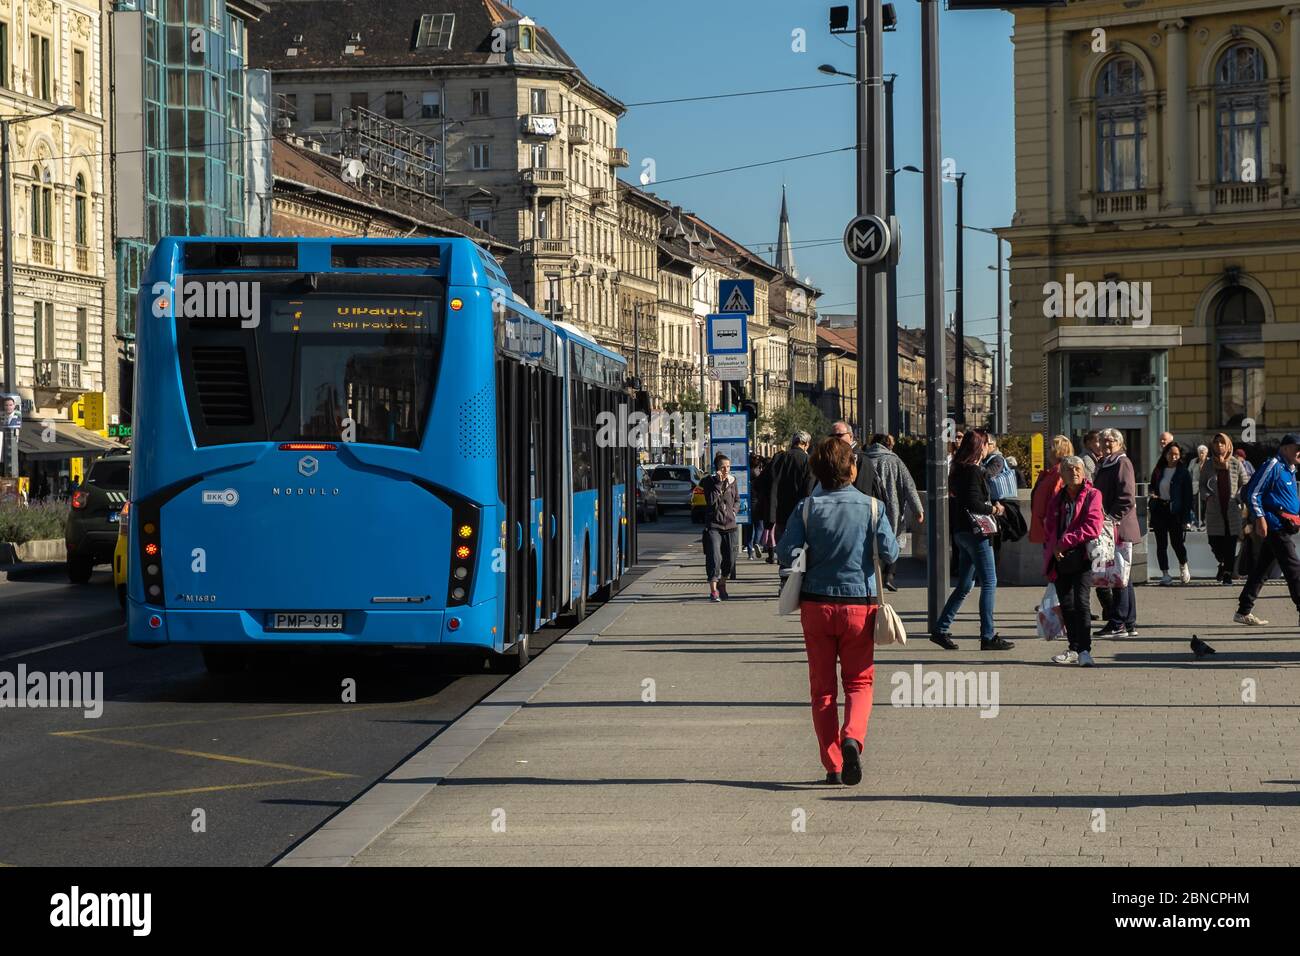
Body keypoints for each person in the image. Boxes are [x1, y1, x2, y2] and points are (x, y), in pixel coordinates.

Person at [777, 437, 898, 786]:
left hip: (816, 604)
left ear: (817, 472)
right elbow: (889, 552)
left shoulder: (806, 507)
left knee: (823, 689)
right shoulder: (872, 507)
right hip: (859, 605)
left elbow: (786, 552)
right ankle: (852, 738)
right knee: (859, 682)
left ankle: (832, 764)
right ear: (852, 468)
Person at [932, 429, 1014, 651]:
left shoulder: (958, 469)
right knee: (989, 582)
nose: (988, 447)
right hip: (976, 533)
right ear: (980, 447)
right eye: (985, 443)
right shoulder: (972, 471)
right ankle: (987, 636)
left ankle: (940, 629)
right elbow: (975, 503)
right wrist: (994, 509)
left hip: (961, 531)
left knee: (965, 584)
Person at [1232, 435, 1300, 630]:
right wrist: (1260, 518)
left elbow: (1286, 498)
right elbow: (1254, 492)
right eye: (1297, 447)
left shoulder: (1290, 469)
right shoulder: (1274, 465)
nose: (1299, 452)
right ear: (1285, 448)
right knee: (1293, 569)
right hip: (1274, 526)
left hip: (1282, 525)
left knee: (1262, 569)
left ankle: (1243, 610)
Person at [1043, 455, 1105, 667]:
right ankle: (1074, 647)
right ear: (1062, 475)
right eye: (1069, 469)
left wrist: (1065, 542)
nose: (1074, 472)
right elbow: (1049, 525)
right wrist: (1054, 548)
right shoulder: (1058, 498)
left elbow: (1093, 525)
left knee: (1081, 603)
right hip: (1061, 557)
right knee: (1067, 605)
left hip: (1083, 555)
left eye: (1078, 468)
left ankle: (1085, 650)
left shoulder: (1092, 495)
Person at [1092, 428, 1140, 637]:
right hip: (1113, 527)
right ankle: (1128, 622)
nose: (1107, 444)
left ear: (1120, 443)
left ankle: (1118, 622)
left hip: (1118, 527)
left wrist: (1111, 519)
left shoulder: (1121, 462)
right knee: (1124, 575)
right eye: (1103, 441)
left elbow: (1127, 497)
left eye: (1111, 441)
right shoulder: (1106, 463)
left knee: (1119, 575)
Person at [862, 432, 923, 591]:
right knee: (893, 540)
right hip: (892, 509)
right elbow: (909, 486)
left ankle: (874, 576)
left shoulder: (864, 460)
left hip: (867, 508)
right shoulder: (895, 461)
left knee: (869, 542)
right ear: (887, 444)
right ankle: (889, 575)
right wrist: (918, 510)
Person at [768, 431, 814, 586]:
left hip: (781, 512)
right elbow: (809, 489)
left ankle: (784, 579)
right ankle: (796, 582)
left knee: (784, 546)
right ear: (806, 444)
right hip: (800, 512)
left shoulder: (779, 458)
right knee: (800, 547)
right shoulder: (808, 461)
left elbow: (764, 482)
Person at [1202, 432, 1247, 585]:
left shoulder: (1235, 463)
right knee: (1214, 541)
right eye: (1216, 443)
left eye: (1222, 442)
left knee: (1230, 543)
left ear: (1228, 445)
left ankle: (1227, 573)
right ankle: (1222, 563)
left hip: (1232, 509)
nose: (1219, 445)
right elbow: (1202, 485)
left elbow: (1244, 483)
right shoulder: (1208, 464)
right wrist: (1207, 496)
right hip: (1214, 509)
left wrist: (1239, 497)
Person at [1148, 442, 1195, 586]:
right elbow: (1152, 486)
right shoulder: (1158, 470)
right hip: (1159, 509)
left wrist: (1186, 517)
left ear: (1180, 456)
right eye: (1170, 454)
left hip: (1175, 511)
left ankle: (1183, 565)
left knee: (1177, 543)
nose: (1173, 457)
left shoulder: (1183, 472)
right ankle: (1165, 574)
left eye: (1176, 454)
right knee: (1161, 544)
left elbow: (1188, 496)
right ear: (1165, 455)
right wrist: (1152, 494)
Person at [700, 453, 739, 602]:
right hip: (714, 526)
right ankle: (714, 590)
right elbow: (711, 501)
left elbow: (737, 499)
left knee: (730, 559)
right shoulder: (709, 482)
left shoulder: (732, 481)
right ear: (717, 468)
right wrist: (718, 483)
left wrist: (734, 511)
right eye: (723, 467)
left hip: (730, 525)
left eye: (728, 467)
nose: (726, 470)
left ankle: (722, 583)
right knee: (714, 557)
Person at [1030, 436, 1073, 544]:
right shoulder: (1052, 472)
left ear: (1058, 450)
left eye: (1050, 447)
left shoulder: (1059, 472)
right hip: (1045, 527)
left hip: (1051, 529)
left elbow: (1056, 499)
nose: (1047, 450)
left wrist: (1048, 521)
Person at [1188, 444, 1210, 530]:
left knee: (1205, 505)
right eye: (1200, 453)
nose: (1201, 455)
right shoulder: (1193, 461)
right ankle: (1197, 522)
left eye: (1203, 453)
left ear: (1206, 453)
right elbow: (1189, 472)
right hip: (1195, 487)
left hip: (1206, 487)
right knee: (1196, 505)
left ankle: (1204, 522)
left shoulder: (1209, 462)